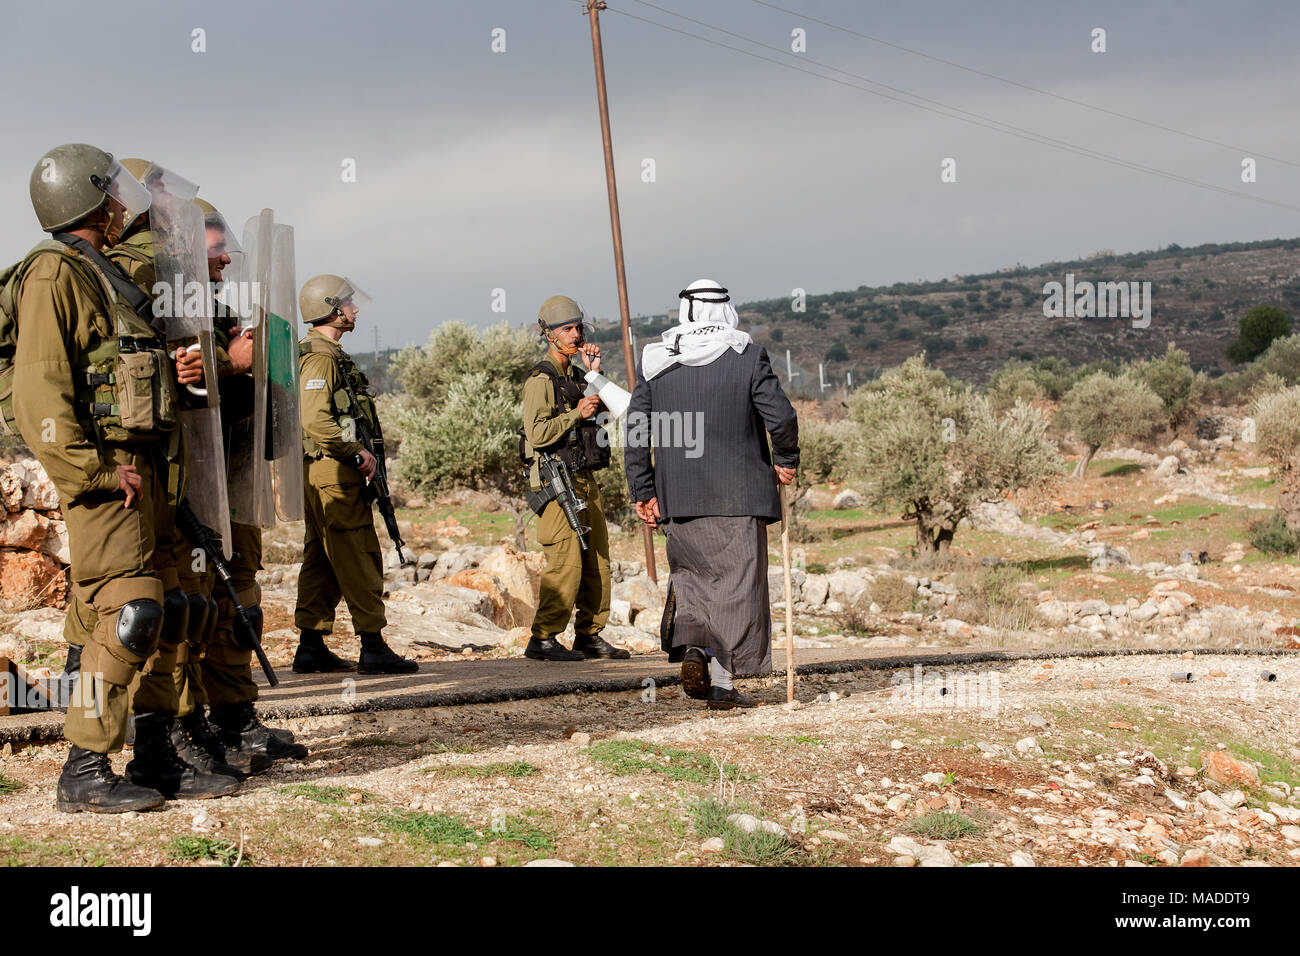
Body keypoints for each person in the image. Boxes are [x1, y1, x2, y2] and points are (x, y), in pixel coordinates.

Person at [15, 144, 231, 811]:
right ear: (86, 198)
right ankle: (83, 770)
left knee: (168, 611)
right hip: (111, 480)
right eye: (110, 191)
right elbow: (40, 395)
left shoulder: (102, 274)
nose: (121, 203)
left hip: (149, 473)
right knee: (129, 613)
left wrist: (177, 371)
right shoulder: (54, 273)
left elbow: (118, 374)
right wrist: (94, 473)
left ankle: (156, 756)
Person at [624, 279, 798, 709]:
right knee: (736, 590)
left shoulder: (658, 361)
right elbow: (781, 418)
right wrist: (786, 459)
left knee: (692, 582)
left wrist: (643, 489)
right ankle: (721, 684)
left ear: (686, 311)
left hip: (678, 497)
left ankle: (697, 649)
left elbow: (636, 430)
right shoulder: (747, 356)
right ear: (725, 310)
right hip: (738, 497)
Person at [292, 274, 416, 674]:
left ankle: (310, 646)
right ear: (330, 309)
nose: (355, 309)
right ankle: (373, 646)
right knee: (358, 553)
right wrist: (354, 450)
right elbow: (315, 419)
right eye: (348, 303)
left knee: (321, 558)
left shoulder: (324, 353)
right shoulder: (321, 357)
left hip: (322, 471)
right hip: (333, 471)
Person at [520, 295, 629, 662]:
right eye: (567, 329)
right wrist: (576, 414)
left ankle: (589, 634)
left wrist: (594, 372)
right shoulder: (541, 379)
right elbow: (537, 433)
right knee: (565, 562)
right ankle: (543, 638)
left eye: (578, 327)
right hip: (557, 483)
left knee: (598, 560)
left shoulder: (578, 377)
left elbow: (611, 413)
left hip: (584, 479)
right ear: (549, 334)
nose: (576, 334)